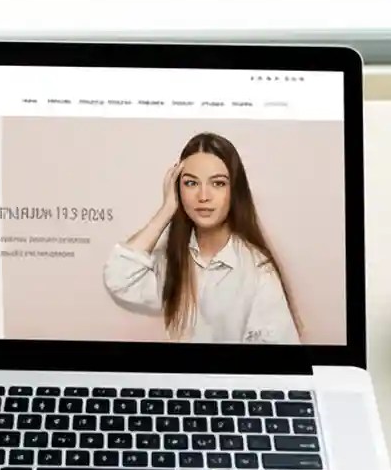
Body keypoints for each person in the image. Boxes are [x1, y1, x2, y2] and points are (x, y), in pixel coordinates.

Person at [102, 132, 302, 344]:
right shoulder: (173, 261)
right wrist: (167, 209)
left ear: (234, 191)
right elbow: (120, 279)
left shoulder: (258, 271)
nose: (203, 196)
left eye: (218, 183)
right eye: (191, 183)